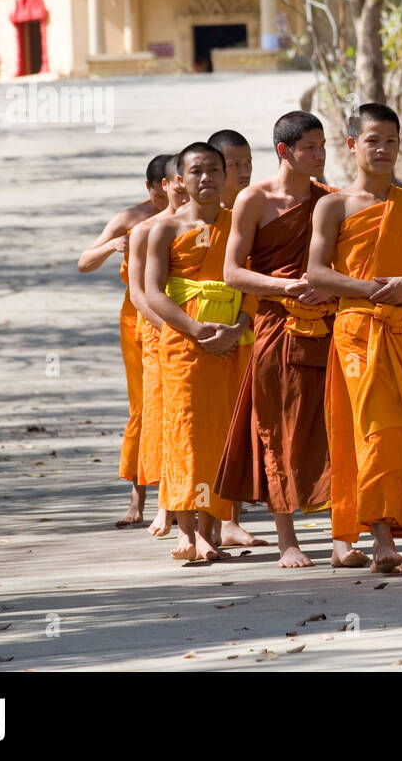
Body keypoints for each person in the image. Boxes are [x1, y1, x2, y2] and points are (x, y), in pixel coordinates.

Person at [306, 103, 402, 574]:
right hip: (357, 331)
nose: (383, 149)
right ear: (353, 146)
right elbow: (316, 272)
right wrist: (373, 288)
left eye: (391, 141)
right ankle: (378, 538)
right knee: (370, 432)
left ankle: (388, 526)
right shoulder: (332, 206)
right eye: (373, 141)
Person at [215, 111, 368, 569]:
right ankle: (288, 541)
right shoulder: (254, 200)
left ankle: (343, 538)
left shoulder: (330, 200)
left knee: (335, 428)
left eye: (323, 147)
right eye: (311, 148)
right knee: (277, 429)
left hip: (328, 326)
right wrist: (285, 287)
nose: (320, 156)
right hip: (275, 327)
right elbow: (232, 272)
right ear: (285, 151)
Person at [144, 142, 256, 562]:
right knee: (186, 432)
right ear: (181, 180)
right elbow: (154, 293)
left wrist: (240, 325)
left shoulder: (240, 224)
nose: (206, 178)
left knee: (224, 435)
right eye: (196, 171)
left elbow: (250, 282)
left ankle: (211, 530)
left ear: (226, 174)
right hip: (185, 345)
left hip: (233, 341)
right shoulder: (166, 229)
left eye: (214, 170)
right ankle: (187, 530)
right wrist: (193, 329)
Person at [77, 153, 169, 526]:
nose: (170, 197)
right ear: (151, 189)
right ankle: (137, 496)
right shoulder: (131, 219)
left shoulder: (194, 215)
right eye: (161, 192)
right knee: (144, 406)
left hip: (182, 313)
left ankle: (182, 494)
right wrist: (111, 247)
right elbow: (84, 262)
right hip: (138, 319)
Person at [205, 128, 265, 549]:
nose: (243, 172)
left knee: (240, 424)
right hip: (200, 332)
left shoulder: (254, 209)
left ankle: (230, 519)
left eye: (248, 163)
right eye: (234, 165)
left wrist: (244, 321)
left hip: (249, 324)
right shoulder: (196, 214)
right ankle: (191, 512)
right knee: (200, 424)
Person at [125, 154, 188, 537]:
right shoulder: (146, 230)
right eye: (179, 179)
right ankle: (165, 504)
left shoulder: (213, 224)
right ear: (166, 185)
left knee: (195, 423)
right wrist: (175, 330)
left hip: (201, 333)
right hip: (162, 335)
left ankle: (206, 510)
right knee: (163, 421)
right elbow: (140, 294)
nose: (186, 186)